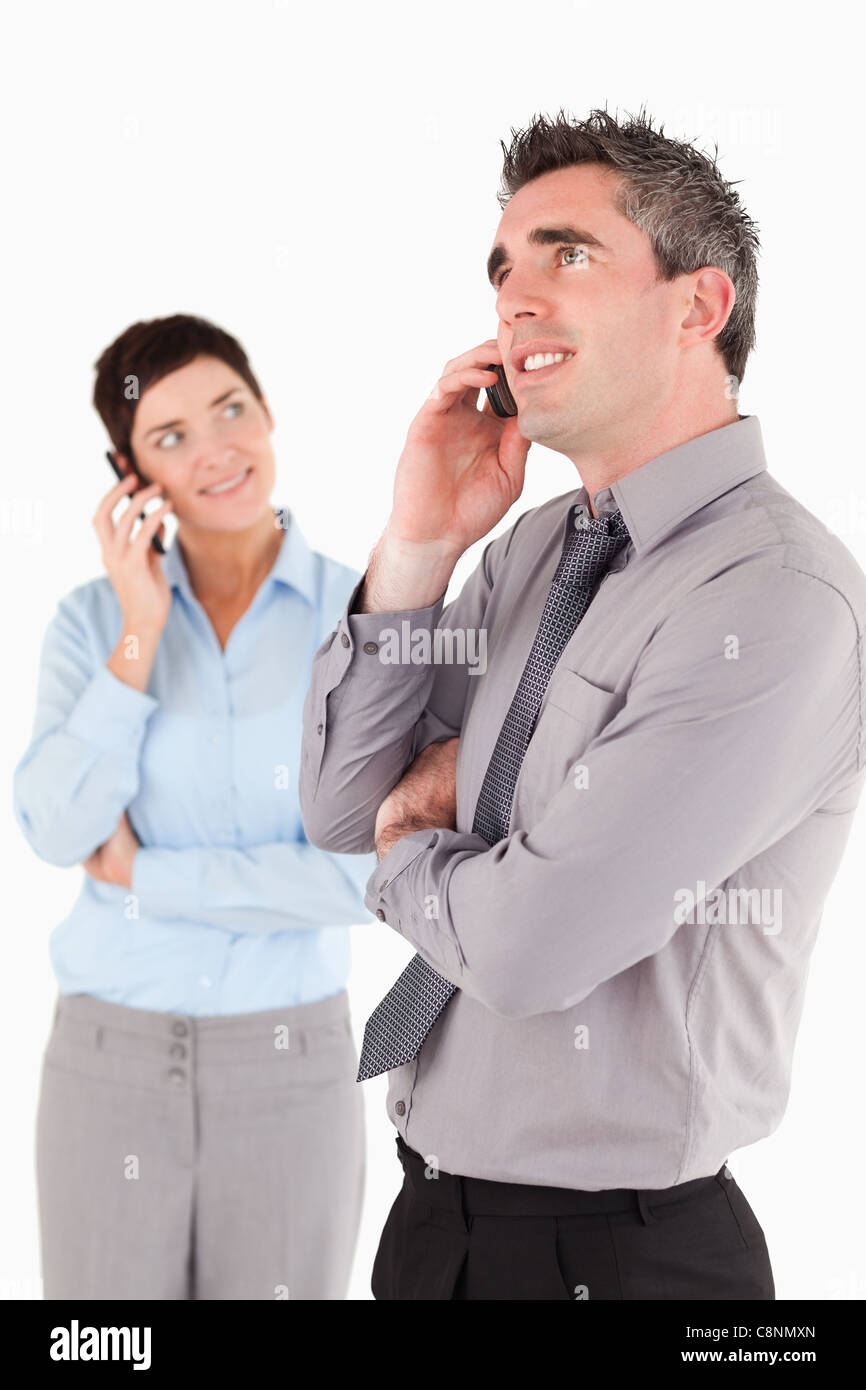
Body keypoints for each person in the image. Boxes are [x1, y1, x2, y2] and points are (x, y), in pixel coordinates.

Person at [298, 107, 866, 1300]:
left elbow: (529, 945)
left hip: (622, 1258)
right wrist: (417, 547)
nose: (513, 300)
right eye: (501, 268)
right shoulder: (530, 549)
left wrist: (411, 840)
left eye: (565, 254)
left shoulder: (773, 596)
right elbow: (342, 803)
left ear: (697, 306)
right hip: (426, 1225)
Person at [13, 314, 377, 1300]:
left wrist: (147, 875)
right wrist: (141, 630)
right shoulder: (91, 621)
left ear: (267, 413)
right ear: (128, 473)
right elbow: (55, 830)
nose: (215, 449)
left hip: (290, 1062)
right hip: (107, 1061)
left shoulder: (361, 617)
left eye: (230, 409)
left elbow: (372, 874)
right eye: (170, 435)